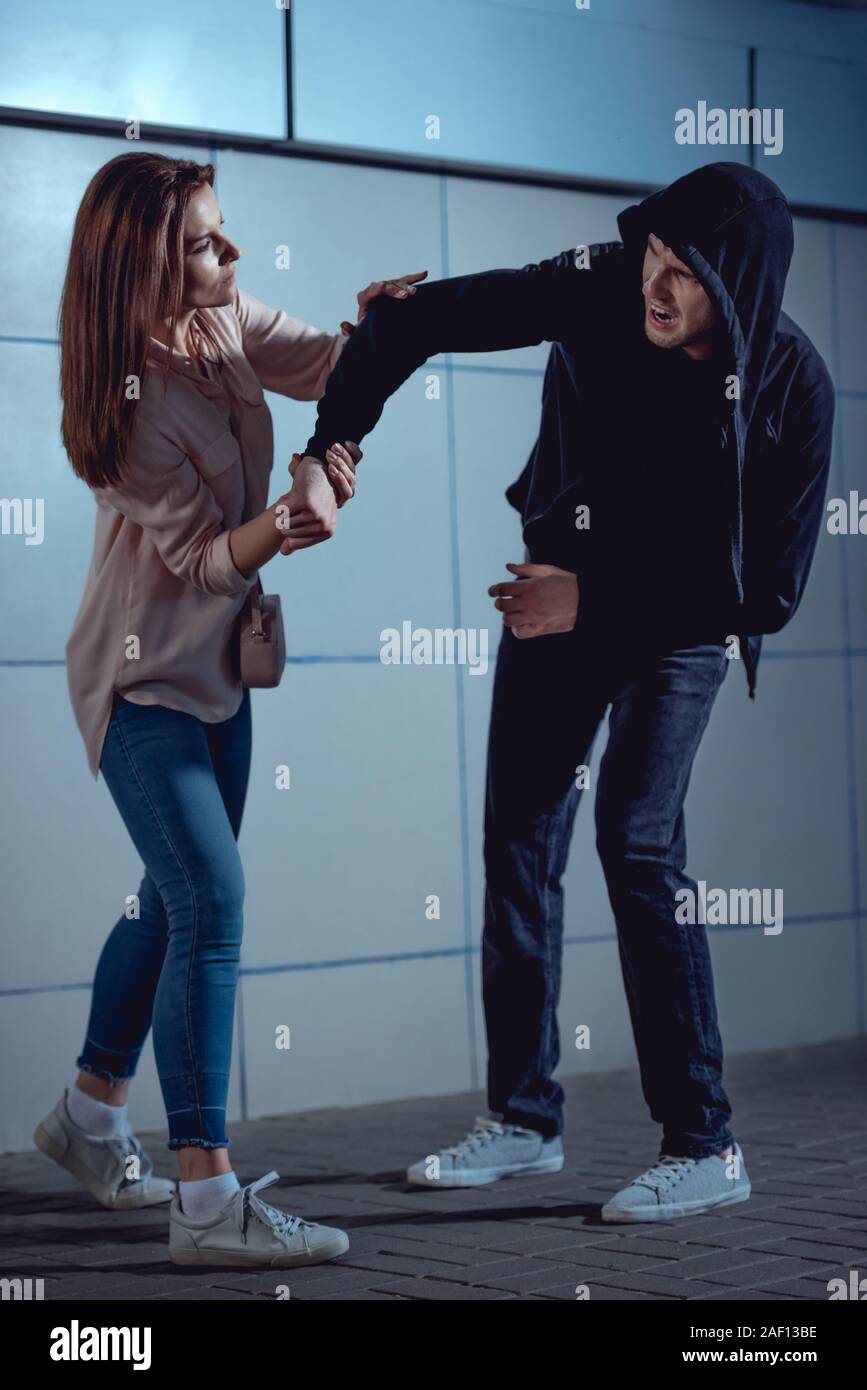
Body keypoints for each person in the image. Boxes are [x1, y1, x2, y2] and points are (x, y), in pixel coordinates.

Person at [288, 162, 835, 1222]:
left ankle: (706, 1142)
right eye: (656, 260)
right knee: (521, 841)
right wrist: (329, 445)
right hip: (555, 590)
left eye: (686, 276)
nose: (655, 289)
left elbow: (767, 587)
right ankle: (525, 1121)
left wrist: (597, 598)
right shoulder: (603, 279)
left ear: (742, 292)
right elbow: (420, 321)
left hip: (676, 624)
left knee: (637, 838)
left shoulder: (793, 390)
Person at [36, 150, 422, 1267]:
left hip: (217, 675)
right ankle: (205, 1200)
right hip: (139, 679)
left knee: (171, 899)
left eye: (222, 231)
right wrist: (295, 513)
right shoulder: (120, 407)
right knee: (212, 894)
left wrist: (385, 331)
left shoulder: (222, 320)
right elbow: (206, 560)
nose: (231, 253)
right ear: (147, 264)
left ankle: (88, 1117)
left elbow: (328, 365)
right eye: (207, 241)